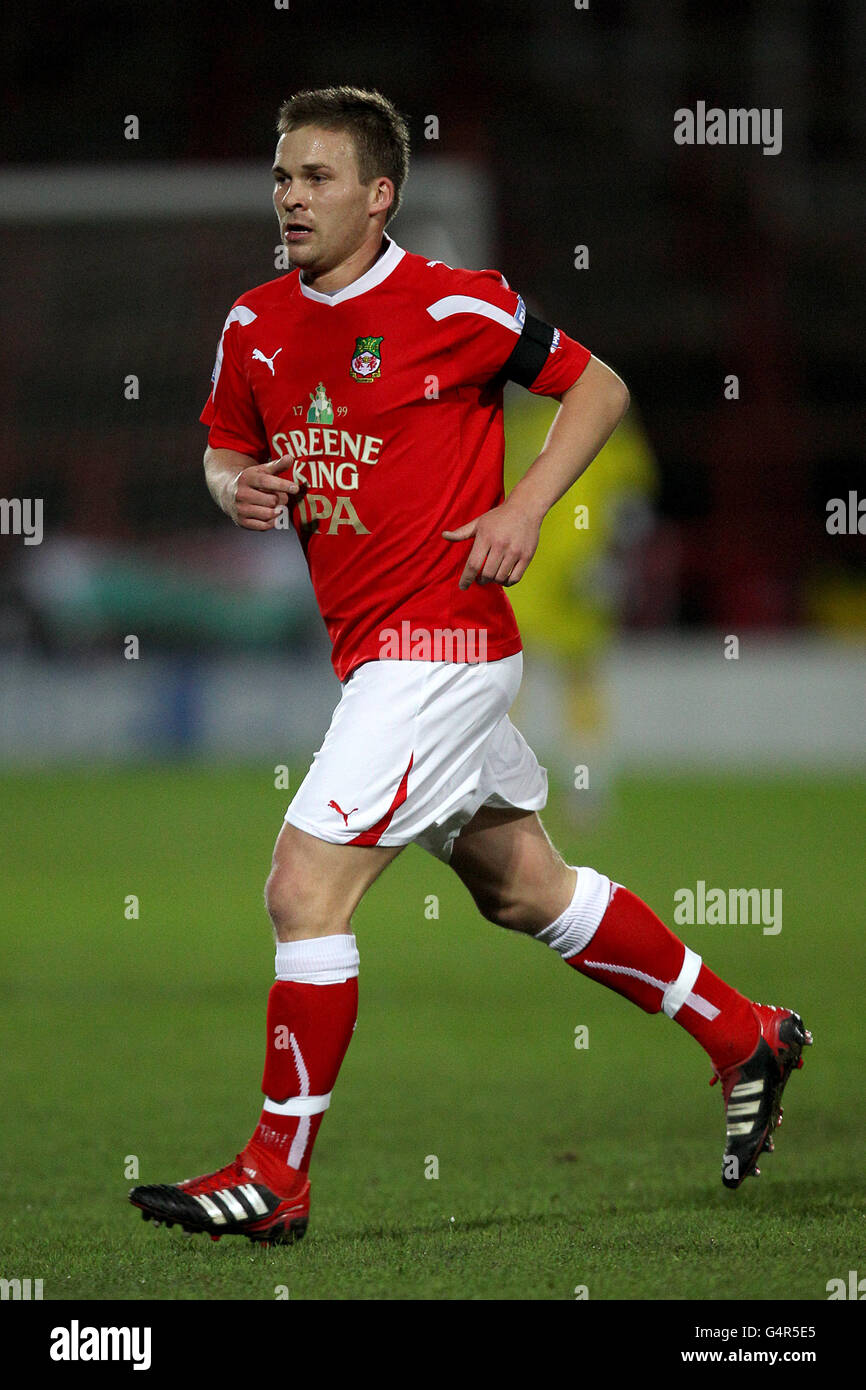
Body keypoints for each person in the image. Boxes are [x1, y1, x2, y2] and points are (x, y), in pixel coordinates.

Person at [129, 86, 811, 1246]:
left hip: (438, 647)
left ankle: (273, 1176)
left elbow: (597, 385)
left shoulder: (457, 304)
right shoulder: (252, 324)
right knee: (523, 887)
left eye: (318, 178)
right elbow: (223, 448)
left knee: (302, 885)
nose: (291, 198)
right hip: (377, 659)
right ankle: (743, 1029)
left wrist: (528, 504)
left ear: (379, 193)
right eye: (282, 177)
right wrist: (231, 487)